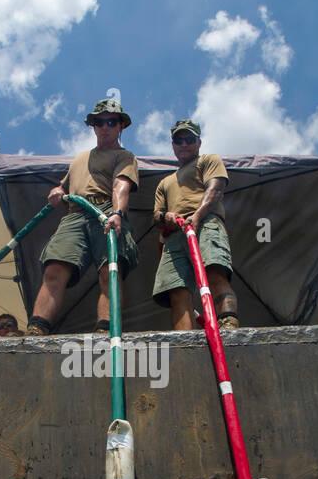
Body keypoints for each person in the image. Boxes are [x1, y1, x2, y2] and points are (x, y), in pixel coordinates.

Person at [26, 98, 139, 335]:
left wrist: (117, 213)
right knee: (55, 268)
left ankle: (106, 331)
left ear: (121, 126)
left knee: (110, 270)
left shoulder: (125, 156)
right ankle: (36, 328)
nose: (105, 126)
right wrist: (57, 191)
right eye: (99, 122)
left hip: (106, 210)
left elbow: (121, 185)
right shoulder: (79, 158)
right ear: (93, 126)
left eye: (111, 121)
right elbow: (62, 186)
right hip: (75, 214)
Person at [152, 119, 239, 330]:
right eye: (178, 140)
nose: (184, 144)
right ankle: (185, 340)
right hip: (174, 235)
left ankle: (227, 324)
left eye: (189, 139)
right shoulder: (165, 182)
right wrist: (167, 218)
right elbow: (156, 215)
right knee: (176, 289)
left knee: (214, 271)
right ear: (173, 145)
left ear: (198, 142)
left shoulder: (208, 160)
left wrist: (198, 216)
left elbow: (215, 188)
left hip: (205, 223)